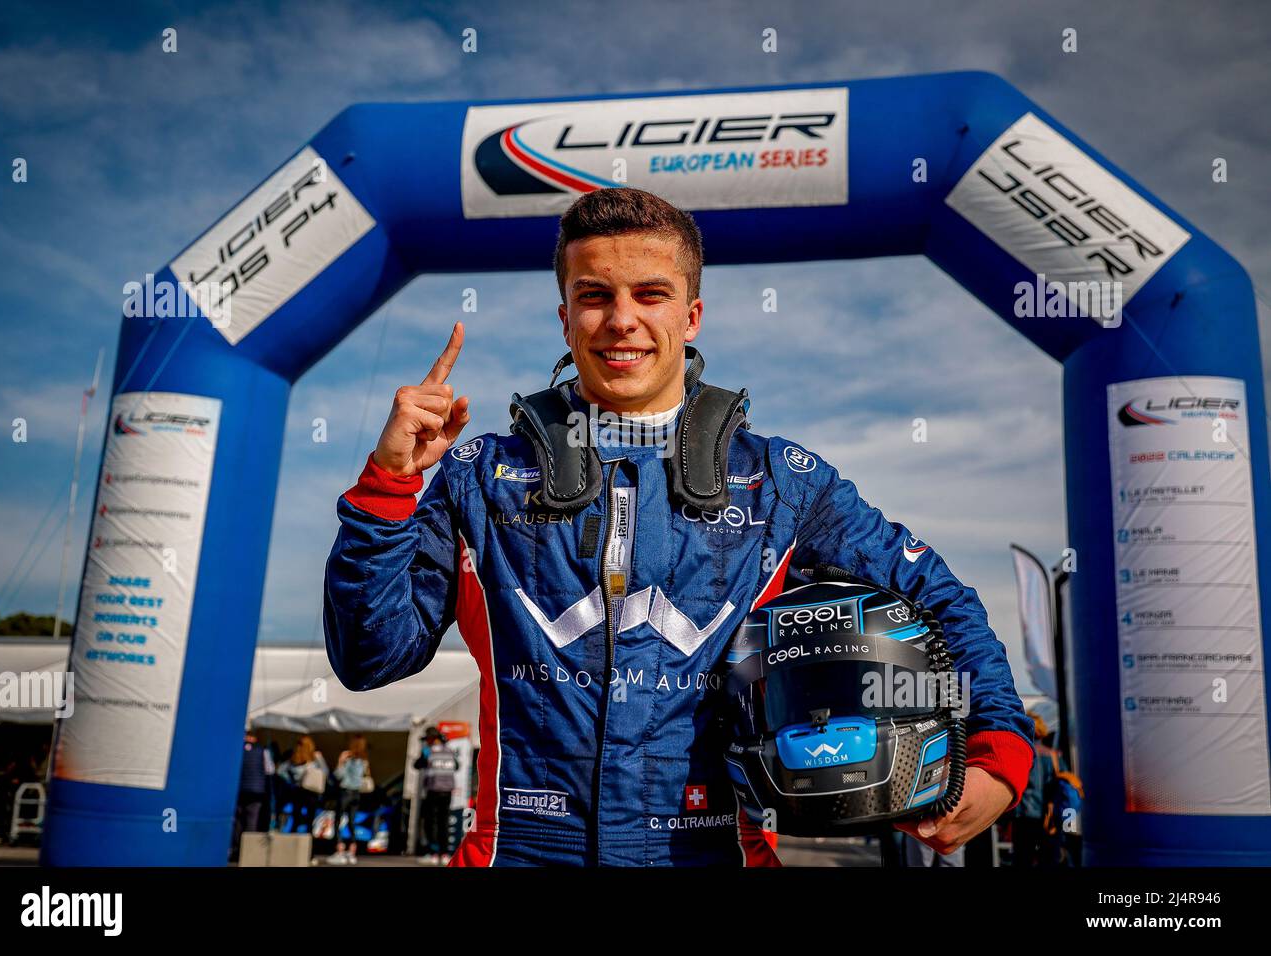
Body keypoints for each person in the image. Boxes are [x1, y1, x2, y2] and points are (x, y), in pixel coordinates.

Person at [324, 187, 1036, 867]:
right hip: (515, 852)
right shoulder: (480, 475)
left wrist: (1000, 754)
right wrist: (389, 486)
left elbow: (940, 602)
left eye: (650, 295)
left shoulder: (783, 481)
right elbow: (371, 658)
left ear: (691, 316)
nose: (621, 320)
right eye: (594, 296)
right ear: (565, 318)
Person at [1011, 711, 1058, 867]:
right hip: (1049, 816)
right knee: (1048, 859)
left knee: (1022, 858)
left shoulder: (1021, 753)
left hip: (1024, 814)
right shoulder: (1053, 755)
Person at [413, 726, 457, 864]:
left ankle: (432, 853)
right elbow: (457, 766)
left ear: (431, 739)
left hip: (433, 791)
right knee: (443, 822)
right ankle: (444, 854)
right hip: (447, 792)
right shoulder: (449, 750)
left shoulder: (428, 751)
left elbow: (416, 765)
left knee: (430, 822)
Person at [233, 726, 275, 859]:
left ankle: (235, 848)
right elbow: (270, 770)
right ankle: (247, 851)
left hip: (240, 790)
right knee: (251, 820)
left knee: (238, 820)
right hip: (256, 792)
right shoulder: (262, 750)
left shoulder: (237, 750)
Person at [329, 734, 371, 865]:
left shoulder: (347, 758)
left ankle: (340, 849)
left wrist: (340, 761)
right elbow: (365, 775)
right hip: (356, 793)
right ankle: (352, 852)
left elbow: (338, 775)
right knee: (352, 821)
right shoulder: (364, 761)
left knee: (338, 820)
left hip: (345, 792)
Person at [277, 735, 328, 834]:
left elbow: (280, 771)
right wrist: (320, 758)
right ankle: (307, 839)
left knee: (296, 817)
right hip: (312, 792)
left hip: (297, 790)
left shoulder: (294, 758)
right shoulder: (314, 758)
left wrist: (291, 781)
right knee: (310, 819)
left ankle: (294, 837)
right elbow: (325, 772)